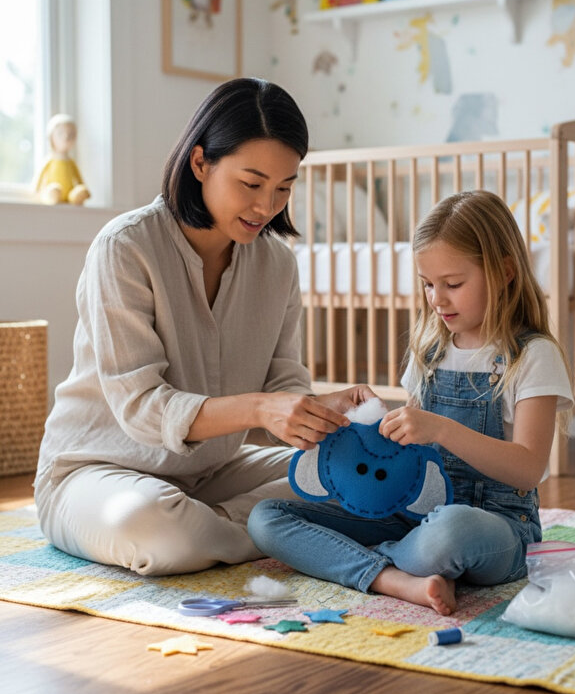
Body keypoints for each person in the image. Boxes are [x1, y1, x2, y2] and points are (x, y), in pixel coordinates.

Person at [34, 78, 373, 576]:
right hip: (97, 473)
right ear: (200, 163)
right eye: (251, 184)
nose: (267, 206)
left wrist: (319, 412)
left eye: (284, 187)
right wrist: (261, 407)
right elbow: (143, 409)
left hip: (211, 474)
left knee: (358, 478)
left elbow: (282, 382)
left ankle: (222, 531)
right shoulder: (125, 248)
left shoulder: (277, 264)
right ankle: (270, 529)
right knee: (155, 526)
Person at [248, 190, 574, 615]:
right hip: (417, 514)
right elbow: (408, 456)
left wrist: (439, 428)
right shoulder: (429, 350)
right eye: (428, 285)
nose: (437, 299)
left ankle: (369, 557)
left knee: (451, 531)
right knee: (266, 518)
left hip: (496, 525)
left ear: (505, 271)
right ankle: (395, 578)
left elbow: (528, 468)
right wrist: (364, 428)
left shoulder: (531, 355)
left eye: (453, 284)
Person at [33, 113, 90, 205]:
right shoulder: (50, 160)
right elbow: (40, 176)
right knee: (53, 190)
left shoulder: (71, 162)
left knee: (79, 191)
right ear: (51, 136)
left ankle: (76, 196)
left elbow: (79, 179)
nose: (66, 137)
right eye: (60, 133)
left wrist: (82, 187)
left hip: (69, 195)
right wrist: (36, 189)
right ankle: (51, 195)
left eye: (71, 134)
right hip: (53, 190)